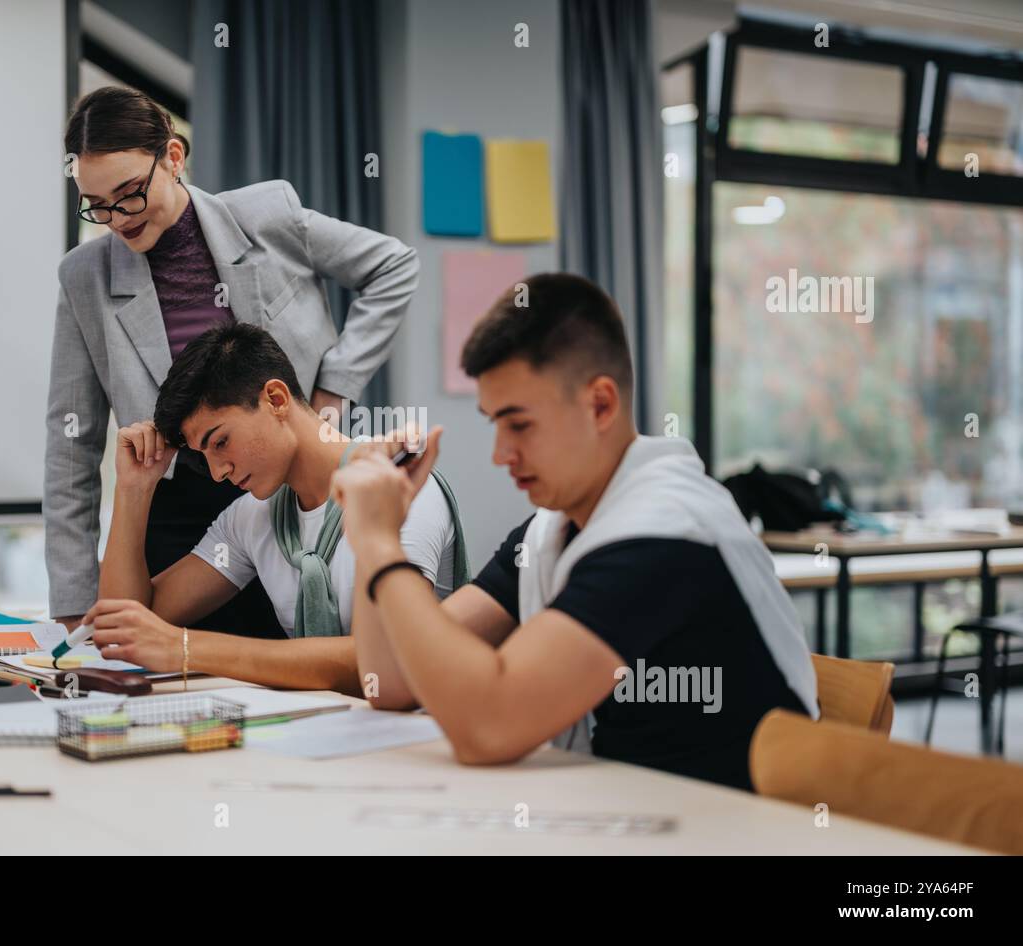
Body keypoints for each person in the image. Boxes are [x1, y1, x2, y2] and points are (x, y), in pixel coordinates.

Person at [330, 273, 817, 789]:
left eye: (519, 424)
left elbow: (487, 727)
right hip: (627, 805)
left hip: (733, 828)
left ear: (600, 405)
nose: (501, 455)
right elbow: (392, 681)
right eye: (495, 423)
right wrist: (374, 537)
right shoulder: (552, 532)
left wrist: (384, 545)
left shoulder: (664, 536)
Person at [46, 86, 419, 638]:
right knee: (176, 662)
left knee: (308, 645)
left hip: (292, 478)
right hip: (182, 507)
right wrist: (76, 600)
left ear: (173, 157)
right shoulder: (85, 276)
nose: (116, 220)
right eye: (96, 205)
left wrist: (336, 385)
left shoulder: (267, 215)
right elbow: (70, 440)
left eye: (128, 194)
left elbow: (394, 266)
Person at [85, 323, 466, 695]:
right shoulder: (253, 517)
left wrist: (185, 648)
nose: (218, 473)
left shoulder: (400, 485)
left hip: (419, 740)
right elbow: (127, 626)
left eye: (220, 442)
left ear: (276, 399)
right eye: (205, 456)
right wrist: (134, 489)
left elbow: (382, 665)